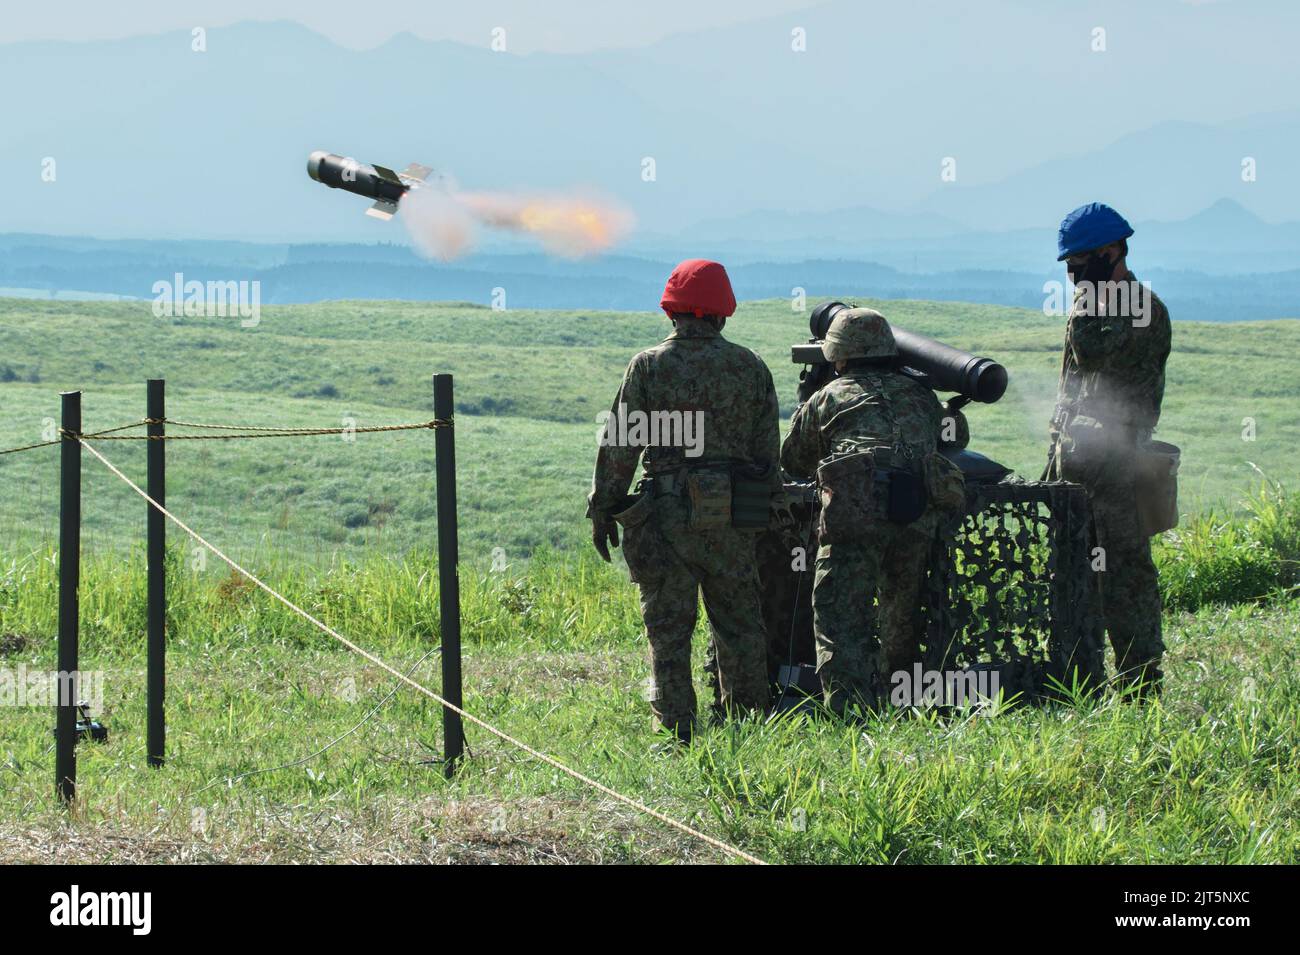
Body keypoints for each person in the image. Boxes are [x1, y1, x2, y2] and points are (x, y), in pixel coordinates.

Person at [587, 259, 780, 741]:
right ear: (723, 313)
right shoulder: (750, 365)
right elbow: (766, 457)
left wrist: (605, 508)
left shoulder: (649, 365)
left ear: (671, 311)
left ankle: (677, 730)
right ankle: (747, 727)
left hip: (666, 515)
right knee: (740, 626)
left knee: (669, 629)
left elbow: (622, 445)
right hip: (734, 515)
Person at [780, 306, 966, 715]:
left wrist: (806, 402)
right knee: (901, 616)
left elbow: (793, 461)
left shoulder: (831, 396)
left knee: (839, 618)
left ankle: (849, 712)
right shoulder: (920, 395)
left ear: (839, 356)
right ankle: (905, 705)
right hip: (915, 516)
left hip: (855, 519)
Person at [1046, 202, 1172, 696]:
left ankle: (1141, 680)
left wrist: (1084, 304)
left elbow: (1093, 352)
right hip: (1080, 457)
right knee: (1074, 566)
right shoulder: (1103, 300)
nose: (1074, 273)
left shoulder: (1135, 305)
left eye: (1081, 261)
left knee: (1122, 568)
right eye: (1070, 264)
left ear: (1112, 251)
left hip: (1117, 462)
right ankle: (1079, 677)